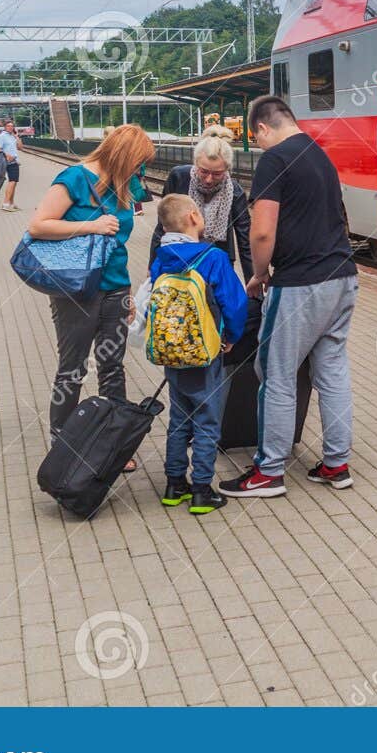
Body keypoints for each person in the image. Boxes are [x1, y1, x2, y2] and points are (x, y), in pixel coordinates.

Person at [220, 94, 358, 498]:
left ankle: (268, 471)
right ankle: (336, 464)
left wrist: (260, 274)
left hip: (301, 283)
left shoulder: (275, 159)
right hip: (343, 277)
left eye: (255, 137)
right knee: (331, 371)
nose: (258, 145)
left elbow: (261, 231)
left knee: (276, 373)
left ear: (262, 127)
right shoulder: (320, 155)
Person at [27, 124, 154, 456]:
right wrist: (91, 225)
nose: (140, 171)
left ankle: (111, 445)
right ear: (122, 155)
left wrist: (128, 295)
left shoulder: (126, 185)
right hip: (76, 290)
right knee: (74, 367)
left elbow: (122, 243)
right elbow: (39, 225)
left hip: (115, 287)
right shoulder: (74, 179)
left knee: (112, 365)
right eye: (137, 163)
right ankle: (63, 444)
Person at [151, 194, 248, 515]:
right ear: (193, 217)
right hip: (206, 353)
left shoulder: (161, 257)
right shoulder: (214, 257)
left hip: (173, 353)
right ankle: (202, 490)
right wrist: (231, 336)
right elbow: (234, 304)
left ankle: (174, 484)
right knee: (207, 422)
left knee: (179, 420)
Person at [146, 130, 252, 278]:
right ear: (195, 163)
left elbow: (245, 240)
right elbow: (162, 226)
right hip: (178, 261)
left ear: (227, 169)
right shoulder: (179, 177)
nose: (209, 179)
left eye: (217, 174)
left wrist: (254, 283)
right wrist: (152, 267)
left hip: (217, 264)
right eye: (204, 171)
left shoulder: (235, 191)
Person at [0, 121, 22, 212]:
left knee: (14, 182)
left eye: (12, 126)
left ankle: (11, 203)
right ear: (5, 127)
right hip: (7, 161)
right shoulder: (2, 136)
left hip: (14, 161)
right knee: (12, 181)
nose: (10, 127)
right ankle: (5, 204)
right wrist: (6, 155)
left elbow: (20, 147)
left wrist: (17, 136)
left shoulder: (12, 136)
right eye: (8, 126)